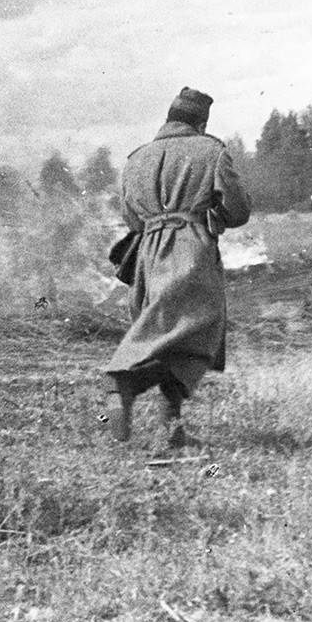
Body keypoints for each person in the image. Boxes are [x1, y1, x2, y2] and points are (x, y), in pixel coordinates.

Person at [102, 86, 251, 447]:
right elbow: (238, 211)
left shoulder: (136, 159)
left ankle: (173, 429)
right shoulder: (211, 151)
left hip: (148, 255)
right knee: (197, 335)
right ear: (201, 123)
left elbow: (131, 218)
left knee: (167, 337)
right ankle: (127, 382)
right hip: (190, 249)